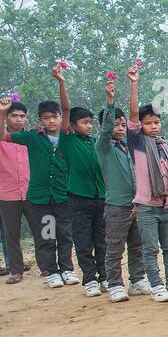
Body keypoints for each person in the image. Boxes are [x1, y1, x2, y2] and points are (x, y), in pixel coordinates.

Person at [1, 77, 75, 288]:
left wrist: (61, 82)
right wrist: (1, 111)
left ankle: (66, 269)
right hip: (38, 197)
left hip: (62, 195)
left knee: (65, 234)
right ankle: (51, 272)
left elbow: (68, 108)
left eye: (55, 117)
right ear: (40, 120)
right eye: (46, 118)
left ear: (61, 118)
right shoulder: (32, 138)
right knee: (46, 234)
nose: (51, 121)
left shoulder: (68, 137)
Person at [128, 65, 168, 303]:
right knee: (150, 249)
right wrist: (134, 83)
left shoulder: (163, 144)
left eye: (156, 122)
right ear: (140, 125)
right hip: (147, 206)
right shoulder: (138, 143)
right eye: (148, 122)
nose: (154, 126)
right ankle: (157, 285)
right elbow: (132, 115)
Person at [53, 65, 107, 296]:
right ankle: (89, 279)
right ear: (72, 125)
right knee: (83, 242)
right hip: (78, 199)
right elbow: (65, 108)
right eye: (84, 122)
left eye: (90, 121)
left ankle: (105, 276)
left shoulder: (96, 141)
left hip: (101, 197)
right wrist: (61, 82)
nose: (89, 125)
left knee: (103, 241)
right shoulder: (67, 140)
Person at [92, 77, 144, 303]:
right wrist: (110, 101)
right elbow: (105, 129)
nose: (120, 128)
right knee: (114, 247)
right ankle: (114, 283)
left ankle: (138, 280)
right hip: (116, 206)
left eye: (123, 125)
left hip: (137, 204)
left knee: (137, 244)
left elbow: (135, 120)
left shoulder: (130, 146)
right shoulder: (103, 147)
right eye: (116, 124)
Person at [0, 98, 31, 283]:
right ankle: (16, 270)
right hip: (8, 193)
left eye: (22, 116)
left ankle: (48, 266)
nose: (19, 119)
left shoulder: (32, 139)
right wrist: (2, 112)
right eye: (14, 116)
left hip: (32, 191)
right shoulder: (2, 139)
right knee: (11, 234)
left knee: (45, 228)